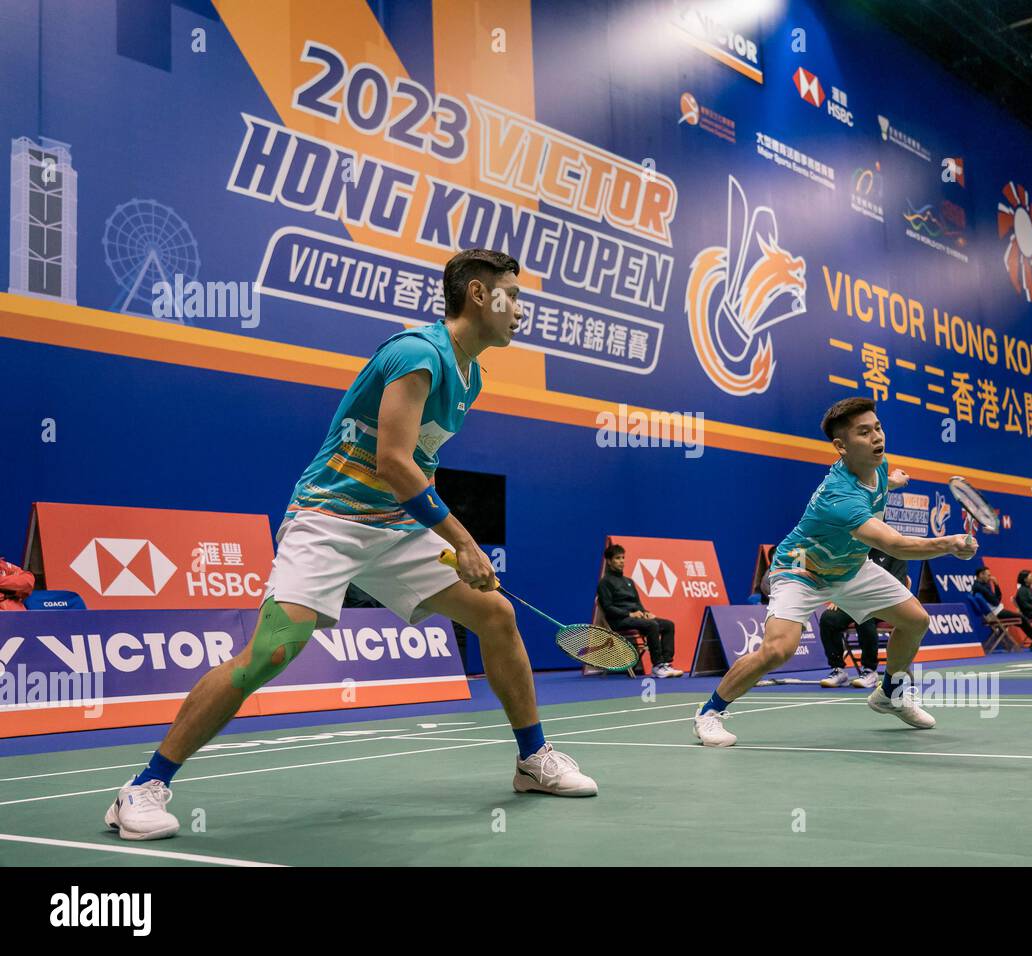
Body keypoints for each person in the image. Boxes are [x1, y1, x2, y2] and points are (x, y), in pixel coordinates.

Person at [106, 249, 598, 843]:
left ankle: (532, 760)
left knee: (496, 615)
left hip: (395, 528)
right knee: (272, 652)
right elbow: (391, 461)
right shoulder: (419, 354)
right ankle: (144, 786)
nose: (520, 310)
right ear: (476, 295)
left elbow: (421, 462)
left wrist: (436, 543)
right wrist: (463, 541)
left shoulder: (471, 376)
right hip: (330, 519)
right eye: (512, 296)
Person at [691, 398, 979, 747]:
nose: (876, 437)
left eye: (878, 428)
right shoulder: (839, 498)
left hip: (850, 566)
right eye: (863, 432)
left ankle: (890, 694)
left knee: (915, 620)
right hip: (801, 568)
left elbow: (884, 481)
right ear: (841, 447)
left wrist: (897, 480)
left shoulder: (879, 465)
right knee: (778, 650)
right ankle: (709, 713)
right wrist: (947, 543)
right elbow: (895, 545)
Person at [819, 550, 909, 689]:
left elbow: (900, 584)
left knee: (864, 617)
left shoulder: (894, 553)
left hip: (882, 604)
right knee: (828, 619)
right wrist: (838, 597)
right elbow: (845, 580)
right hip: (854, 602)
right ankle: (838, 670)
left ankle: (869, 670)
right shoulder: (857, 551)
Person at [597, 543, 683, 678]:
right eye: (618, 558)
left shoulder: (629, 581)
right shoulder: (605, 582)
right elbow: (608, 608)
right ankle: (657, 666)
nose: (622, 561)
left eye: (623, 558)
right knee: (652, 625)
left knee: (668, 624)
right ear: (609, 561)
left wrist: (645, 612)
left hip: (636, 619)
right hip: (619, 621)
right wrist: (629, 614)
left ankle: (666, 663)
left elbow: (637, 603)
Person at [971, 566, 1032, 647]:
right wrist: (995, 593)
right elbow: (996, 602)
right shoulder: (979, 587)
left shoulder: (983, 585)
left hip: (995, 612)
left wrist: (996, 585)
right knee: (1021, 618)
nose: (990, 578)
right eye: (988, 575)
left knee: (1021, 620)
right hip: (996, 614)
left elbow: (998, 598)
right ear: (981, 575)